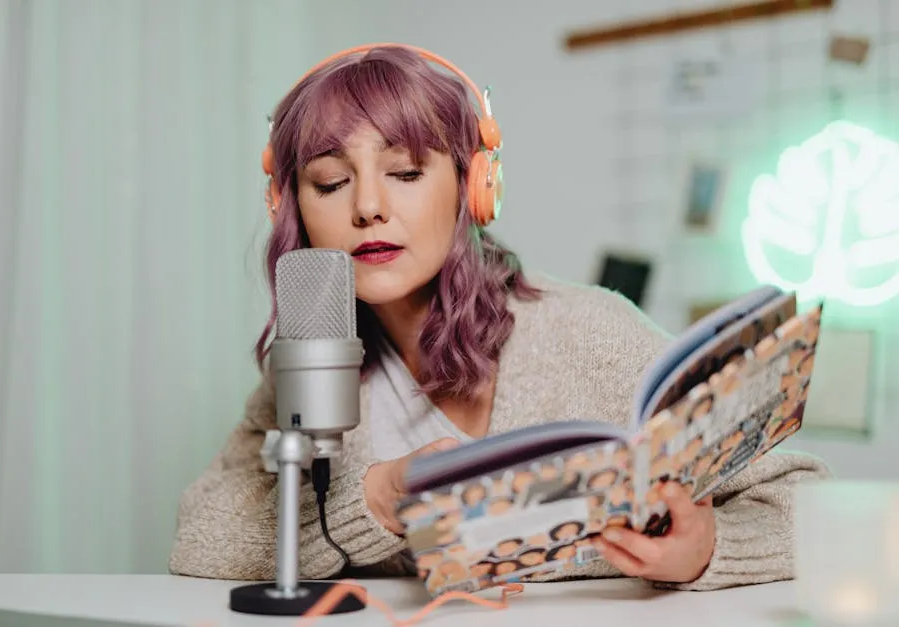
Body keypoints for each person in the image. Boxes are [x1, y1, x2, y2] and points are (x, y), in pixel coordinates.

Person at [168, 43, 830, 590]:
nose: (367, 206)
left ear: (474, 187)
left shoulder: (588, 333)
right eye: (331, 182)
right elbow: (199, 539)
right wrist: (376, 497)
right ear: (292, 208)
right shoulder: (314, 359)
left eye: (404, 171)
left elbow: (814, 508)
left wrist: (708, 550)